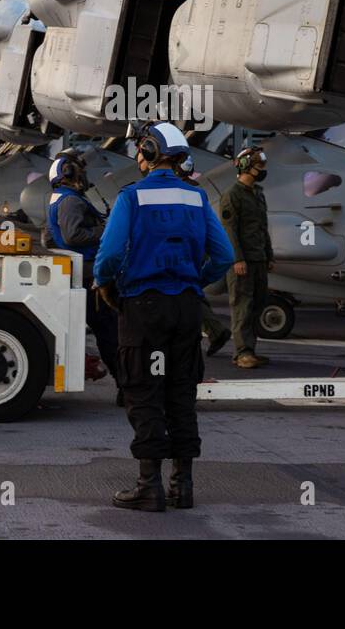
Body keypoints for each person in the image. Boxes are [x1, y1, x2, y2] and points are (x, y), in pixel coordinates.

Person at [94, 121, 234, 511]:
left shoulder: (131, 198)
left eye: (141, 149)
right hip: (187, 308)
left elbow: (108, 257)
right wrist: (193, 281)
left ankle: (149, 485)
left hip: (143, 307)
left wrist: (107, 286)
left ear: (151, 152)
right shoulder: (196, 197)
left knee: (144, 391)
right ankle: (183, 485)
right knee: (180, 392)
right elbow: (223, 256)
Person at [44, 148, 123, 406]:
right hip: (89, 273)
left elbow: (48, 237)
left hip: (79, 271)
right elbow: (73, 236)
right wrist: (107, 231)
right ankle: (126, 385)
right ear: (69, 172)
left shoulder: (58, 199)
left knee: (107, 329)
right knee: (109, 330)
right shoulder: (71, 201)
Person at [220, 146, 273, 369]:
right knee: (242, 305)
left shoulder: (258, 193)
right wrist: (237, 259)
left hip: (258, 258)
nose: (262, 170)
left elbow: (262, 227)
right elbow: (229, 230)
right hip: (242, 261)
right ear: (245, 167)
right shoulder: (232, 195)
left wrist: (269, 255)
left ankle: (250, 349)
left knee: (257, 304)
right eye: (259, 166)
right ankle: (242, 352)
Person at [177, 155, 232, 357]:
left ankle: (215, 331)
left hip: (180, 254)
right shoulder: (198, 192)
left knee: (188, 296)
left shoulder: (177, 193)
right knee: (193, 293)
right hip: (196, 252)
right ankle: (215, 330)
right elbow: (223, 252)